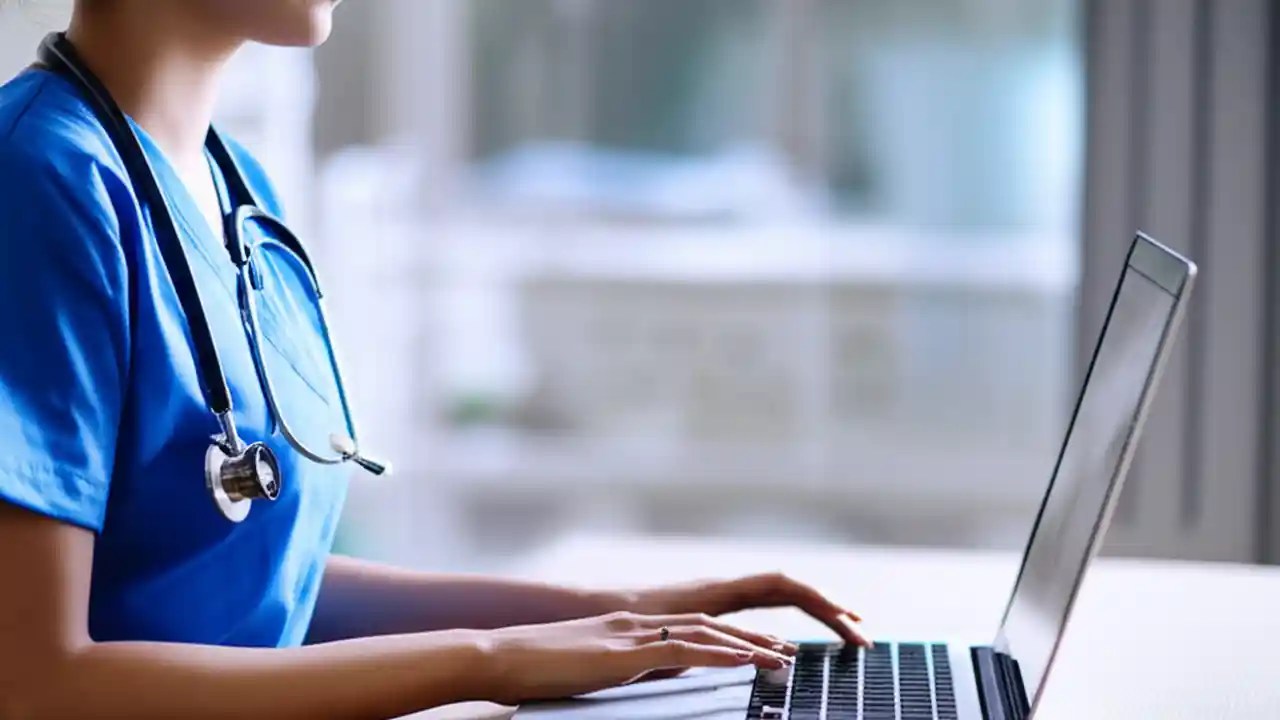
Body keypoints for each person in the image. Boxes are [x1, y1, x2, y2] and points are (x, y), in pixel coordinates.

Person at [0, 1, 870, 717]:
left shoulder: (235, 187)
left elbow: (258, 595)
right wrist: (487, 662)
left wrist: (621, 615)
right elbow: (39, 682)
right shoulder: (38, 183)